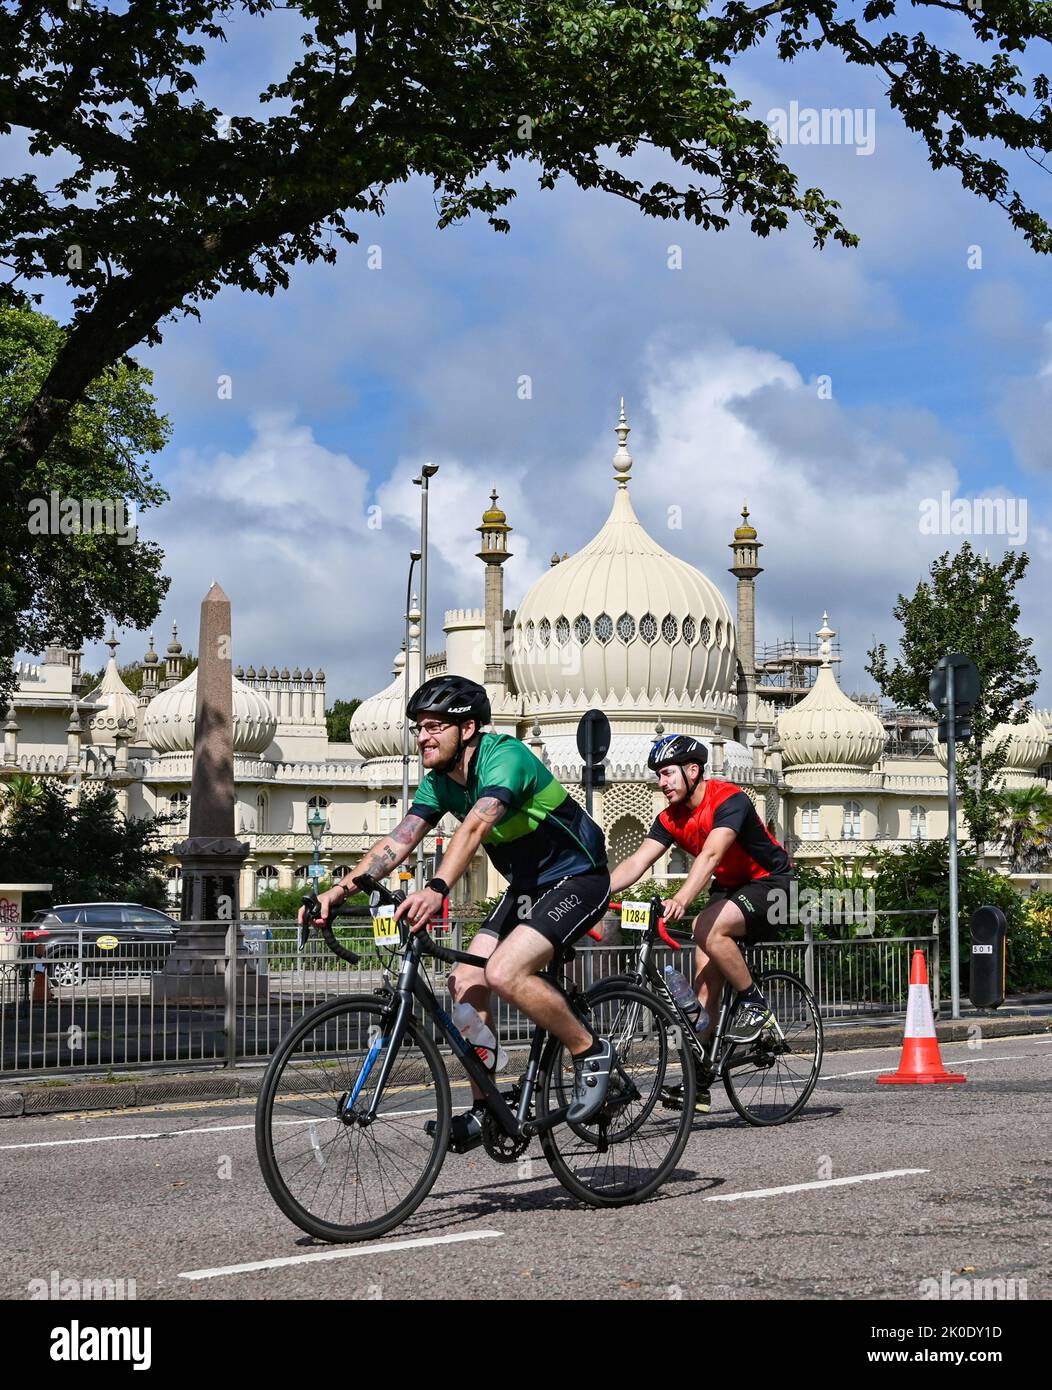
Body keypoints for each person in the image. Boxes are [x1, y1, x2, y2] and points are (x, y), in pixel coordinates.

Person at [303, 675, 615, 1151]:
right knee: (467, 984)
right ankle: (487, 1105)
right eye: (419, 728)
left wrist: (435, 889)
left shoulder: (505, 758)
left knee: (505, 971)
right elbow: (398, 840)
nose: (423, 737)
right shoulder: (440, 783)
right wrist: (337, 893)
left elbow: (475, 827)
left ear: (467, 729)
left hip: (580, 877)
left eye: (434, 727)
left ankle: (590, 1053)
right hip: (530, 887)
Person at [609, 733, 796, 1113]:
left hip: (774, 887)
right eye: (658, 776)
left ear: (693, 771)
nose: (662, 783)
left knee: (706, 928)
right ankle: (701, 1082)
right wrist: (593, 892)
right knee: (702, 985)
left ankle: (755, 1004)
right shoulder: (670, 818)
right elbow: (635, 863)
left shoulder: (729, 800)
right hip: (730, 890)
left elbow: (711, 854)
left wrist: (682, 898)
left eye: (667, 774)